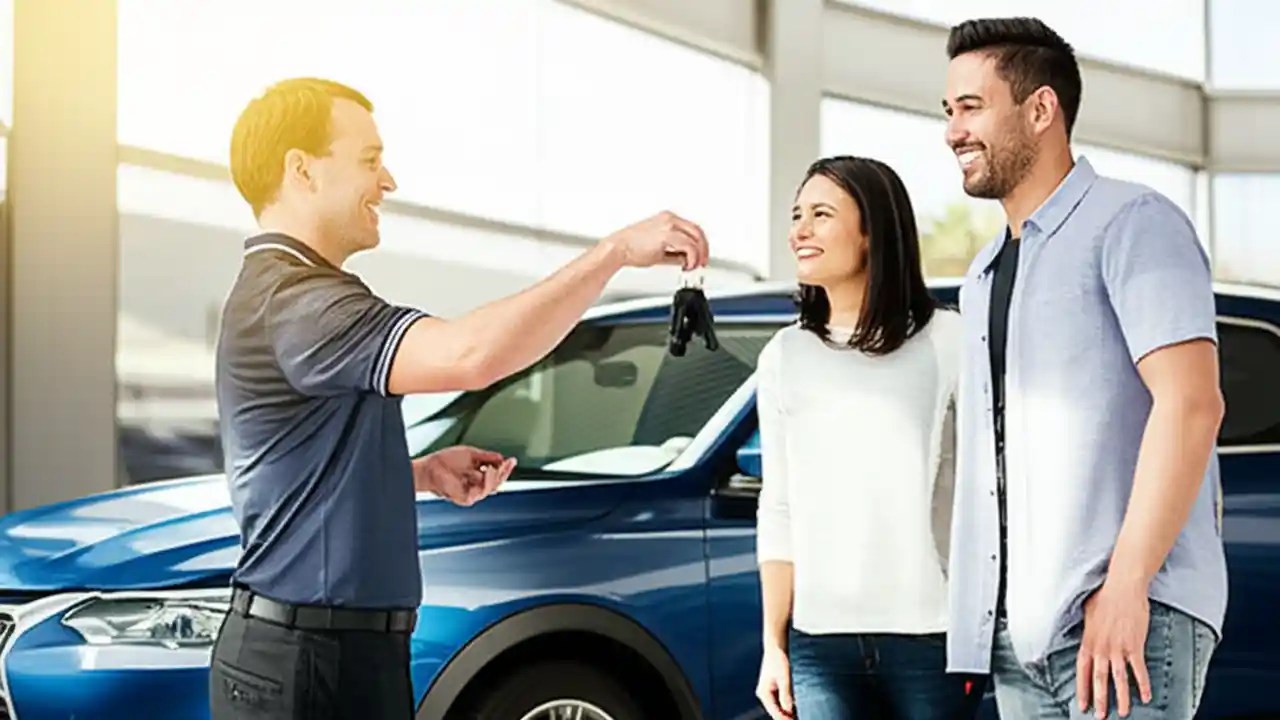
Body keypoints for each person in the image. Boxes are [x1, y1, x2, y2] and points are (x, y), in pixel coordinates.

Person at [208, 77, 710, 719]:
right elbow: (472, 356)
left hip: (329, 651)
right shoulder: (299, 303)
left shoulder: (289, 297)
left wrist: (412, 474)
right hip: (310, 661)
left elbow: (294, 464)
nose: (387, 181)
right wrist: (613, 254)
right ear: (302, 171)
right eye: (368, 160)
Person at [941, 17, 1228, 720]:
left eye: (971, 107)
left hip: (1126, 618)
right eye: (948, 113)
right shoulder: (982, 275)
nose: (952, 132)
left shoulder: (1131, 221)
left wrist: (1127, 587)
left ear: (1041, 109)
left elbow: (1192, 404)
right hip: (1024, 638)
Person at [753, 156, 983, 720]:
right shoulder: (785, 356)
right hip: (818, 644)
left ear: (872, 232)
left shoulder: (949, 340)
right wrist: (773, 646)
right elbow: (777, 507)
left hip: (933, 640)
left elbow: (986, 492)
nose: (799, 231)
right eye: (797, 215)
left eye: (821, 214)